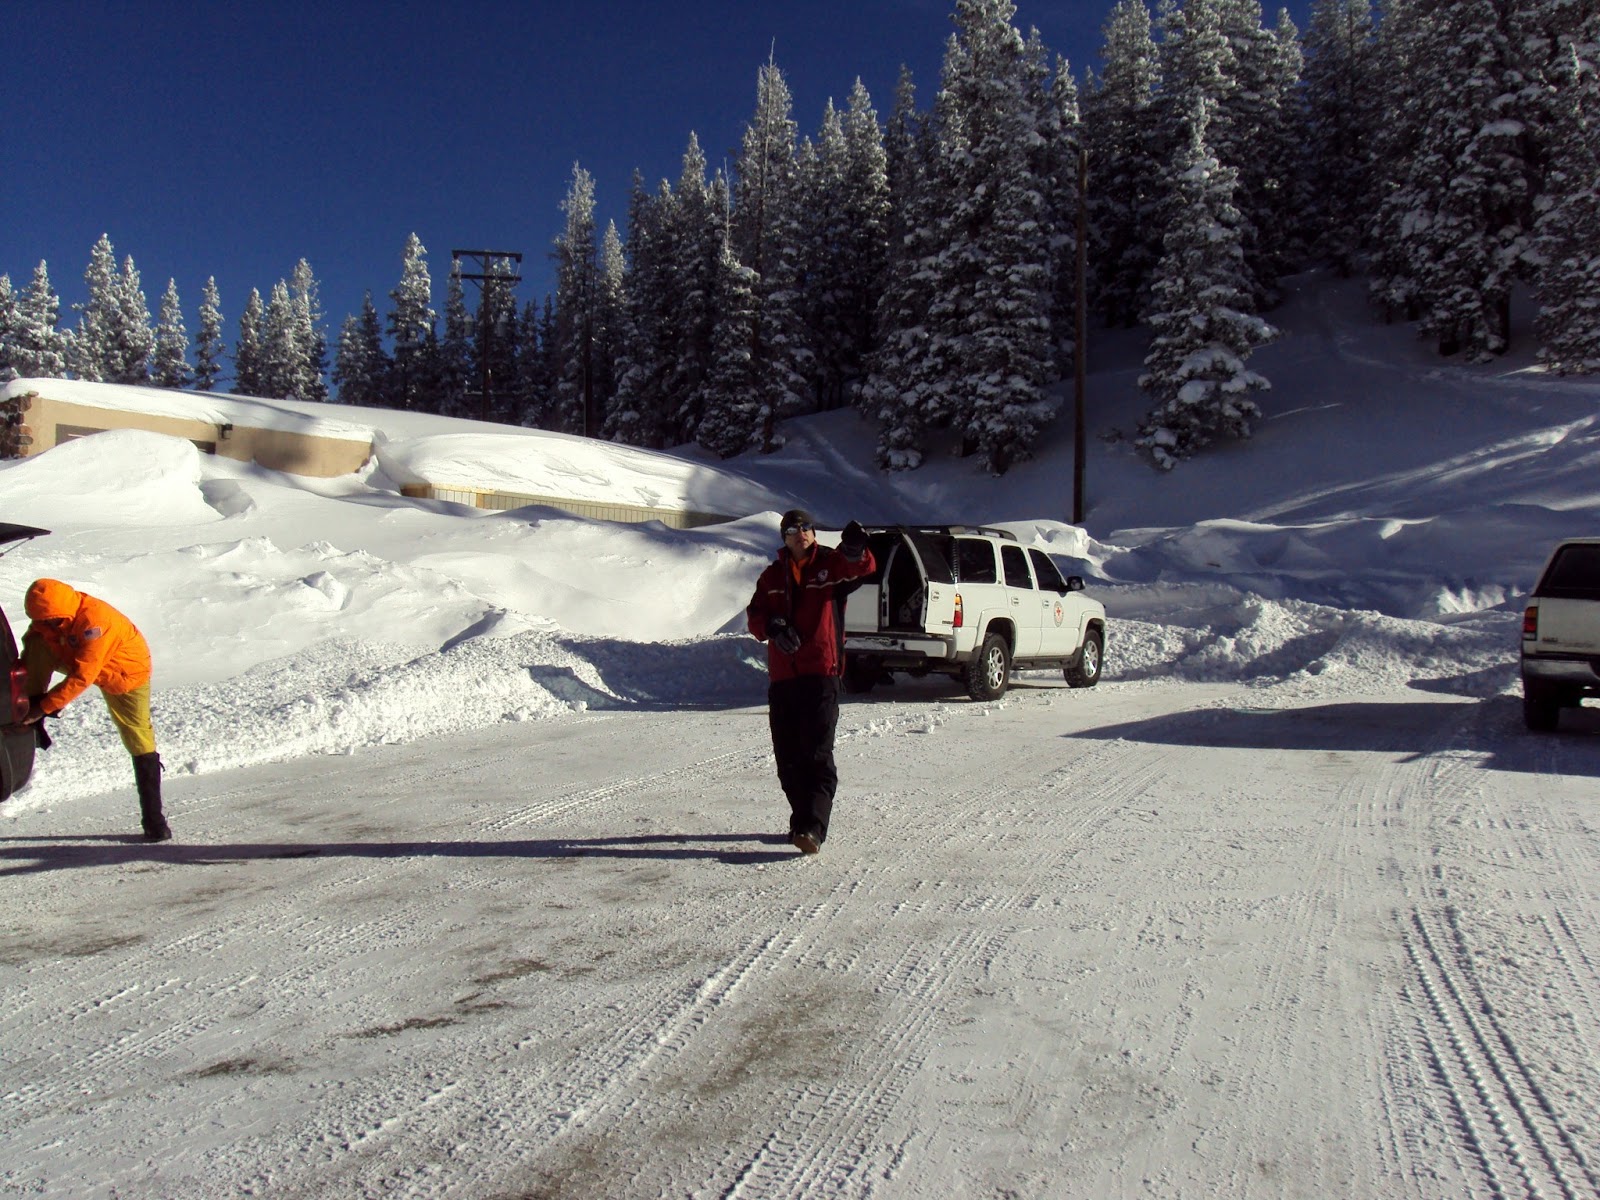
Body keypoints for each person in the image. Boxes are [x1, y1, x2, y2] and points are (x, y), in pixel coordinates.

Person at [747, 509, 875, 855]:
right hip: (784, 677)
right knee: (788, 758)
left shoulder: (831, 565)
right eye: (792, 529)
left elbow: (860, 568)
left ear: (814, 533)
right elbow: (754, 616)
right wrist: (773, 625)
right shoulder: (773, 575)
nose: (800, 532)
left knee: (817, 754)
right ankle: (802, 819)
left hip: (822, 673)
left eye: (806, 527)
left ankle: (812, 828)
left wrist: (855, 548)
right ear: (784, 537)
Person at [19, 579, 170, 841]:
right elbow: (34, 647)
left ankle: (154, 821)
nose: (46, 626)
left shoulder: (95, 622)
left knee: (137, 738)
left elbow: (82, 677)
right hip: (78, 657)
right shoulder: (49, 619)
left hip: (125, 675)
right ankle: (28, 712)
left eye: (51, 622)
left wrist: (45, 707)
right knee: (37, 645)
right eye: (41, 621)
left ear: (63, 612)